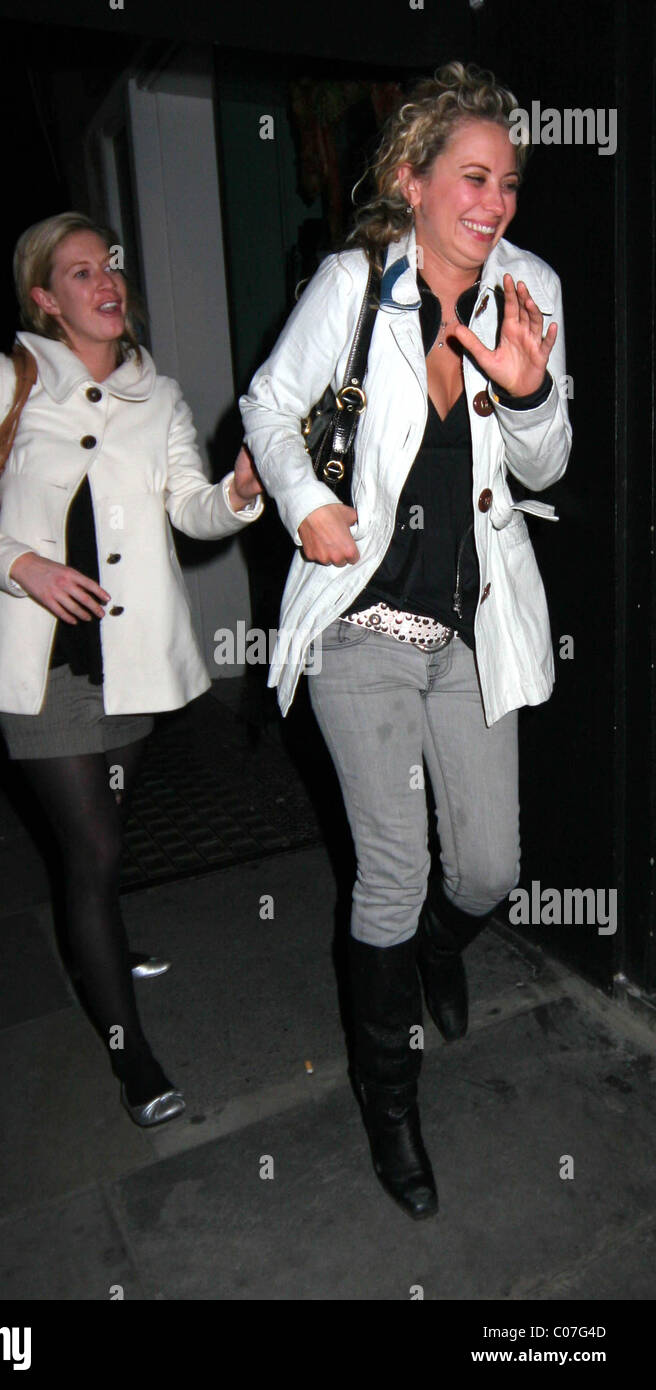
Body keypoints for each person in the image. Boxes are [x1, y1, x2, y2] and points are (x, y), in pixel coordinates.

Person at [240, 62, 571, 1218]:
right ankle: (392, 1106)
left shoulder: (529, 287)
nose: (494, 204)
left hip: (473, 624)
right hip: (363, 626)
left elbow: (546, 463)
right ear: (410, 180)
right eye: (472, 178)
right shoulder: (351, 282)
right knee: (390, 870)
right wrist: (305, 503)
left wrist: (527, 395)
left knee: (486, 869)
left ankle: (443, 942)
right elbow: (268, 407)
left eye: (509, 183)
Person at [0, 211, 263, 1127]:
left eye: (109, 266)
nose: (106, 282)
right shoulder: (6, 378)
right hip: (40, 664)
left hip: (132, 660)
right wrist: (19, 564)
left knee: (102, 840)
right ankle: (131, 1051)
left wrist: (239, 494)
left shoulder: (161, 394)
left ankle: (99, 930)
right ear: (44, 298)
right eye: (78, 273)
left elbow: (192, 512)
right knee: (95, 846)